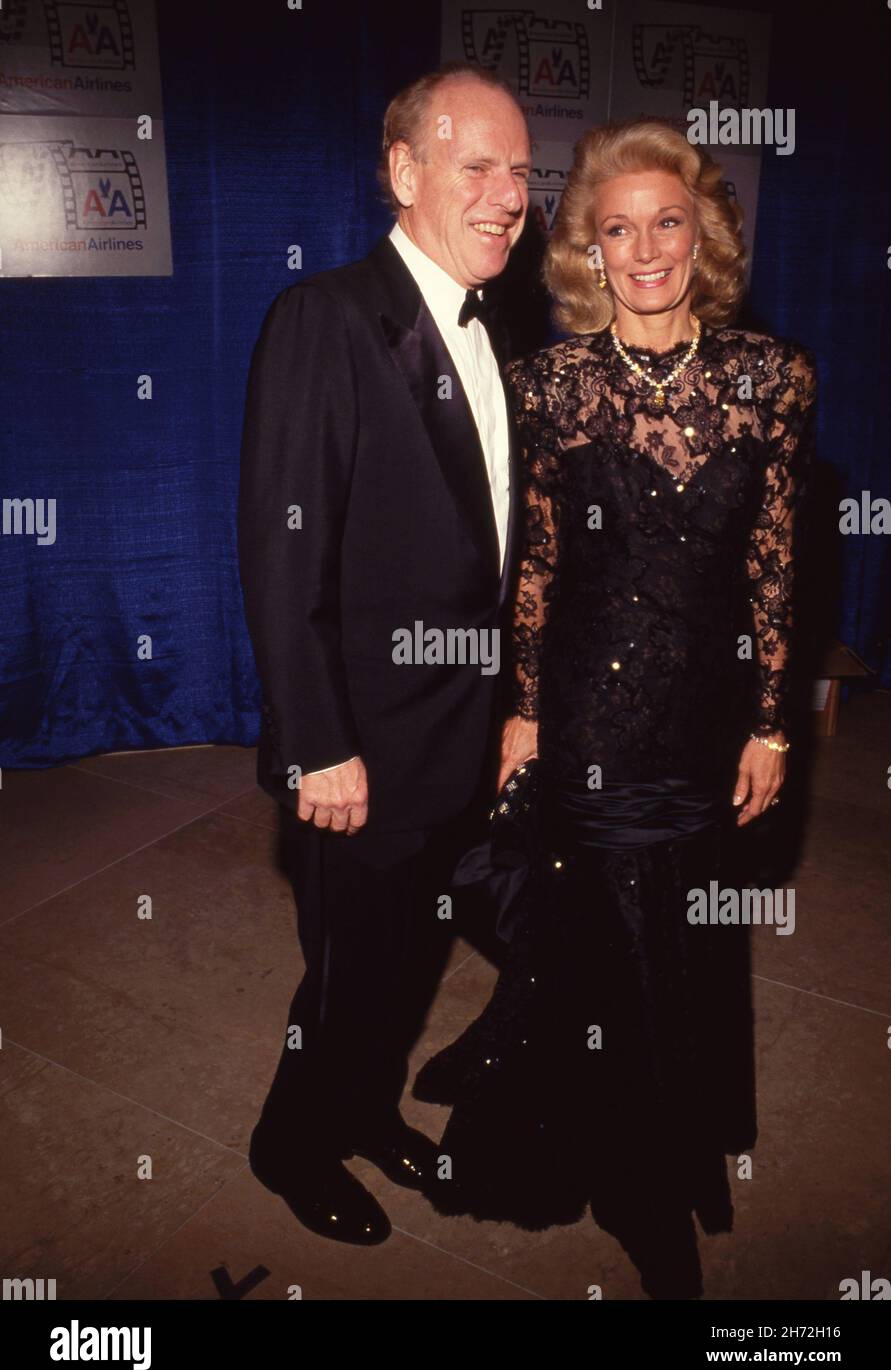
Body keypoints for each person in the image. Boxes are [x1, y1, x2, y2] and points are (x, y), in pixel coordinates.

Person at [414, 119, 817, 1297]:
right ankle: (643, 1186)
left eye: (668, 223)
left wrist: (772, 720)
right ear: (589, 251)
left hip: (709, 719)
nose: (644, 250)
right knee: (622, 947)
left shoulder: (771, 377)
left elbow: (776, 567)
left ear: (706, 238)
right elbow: (537, 563)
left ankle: (684, 1143)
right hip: (592, 718)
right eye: (617, 230)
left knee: (686, 941)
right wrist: (525, 714)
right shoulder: (550, 387)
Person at [236, 63, 532, 1244]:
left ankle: (358, 1112)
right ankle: (287, 1140)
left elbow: (488, 553)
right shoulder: (327, 318)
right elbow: (278, 551)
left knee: (403, 969)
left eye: (522, 171)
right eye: (480, 167)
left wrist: (514, 705)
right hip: (360, 754)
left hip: (456, 746)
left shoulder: (490, 326)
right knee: (343, 979)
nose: (510, 194)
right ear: (406, 174)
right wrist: (319, 746)